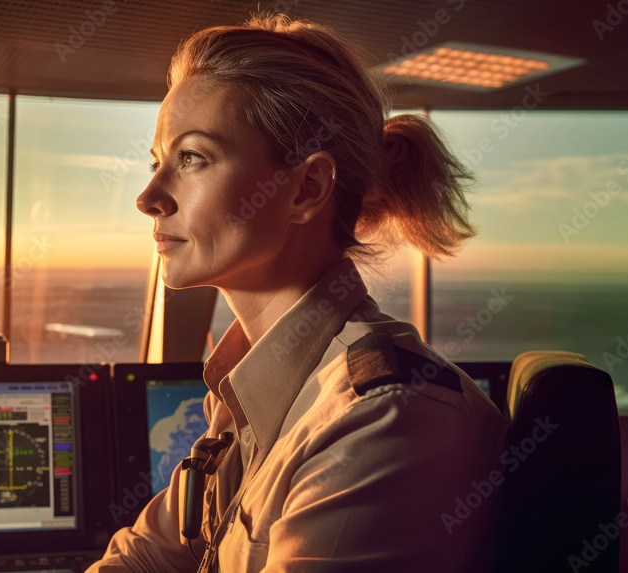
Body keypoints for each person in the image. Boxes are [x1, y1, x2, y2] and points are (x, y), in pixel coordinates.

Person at [88, 12, 509, 573]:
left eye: (192, 157)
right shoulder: (244, 395)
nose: (149, 197)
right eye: (158, 161)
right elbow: (150, 555)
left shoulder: (385, 421)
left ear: (306, 189)